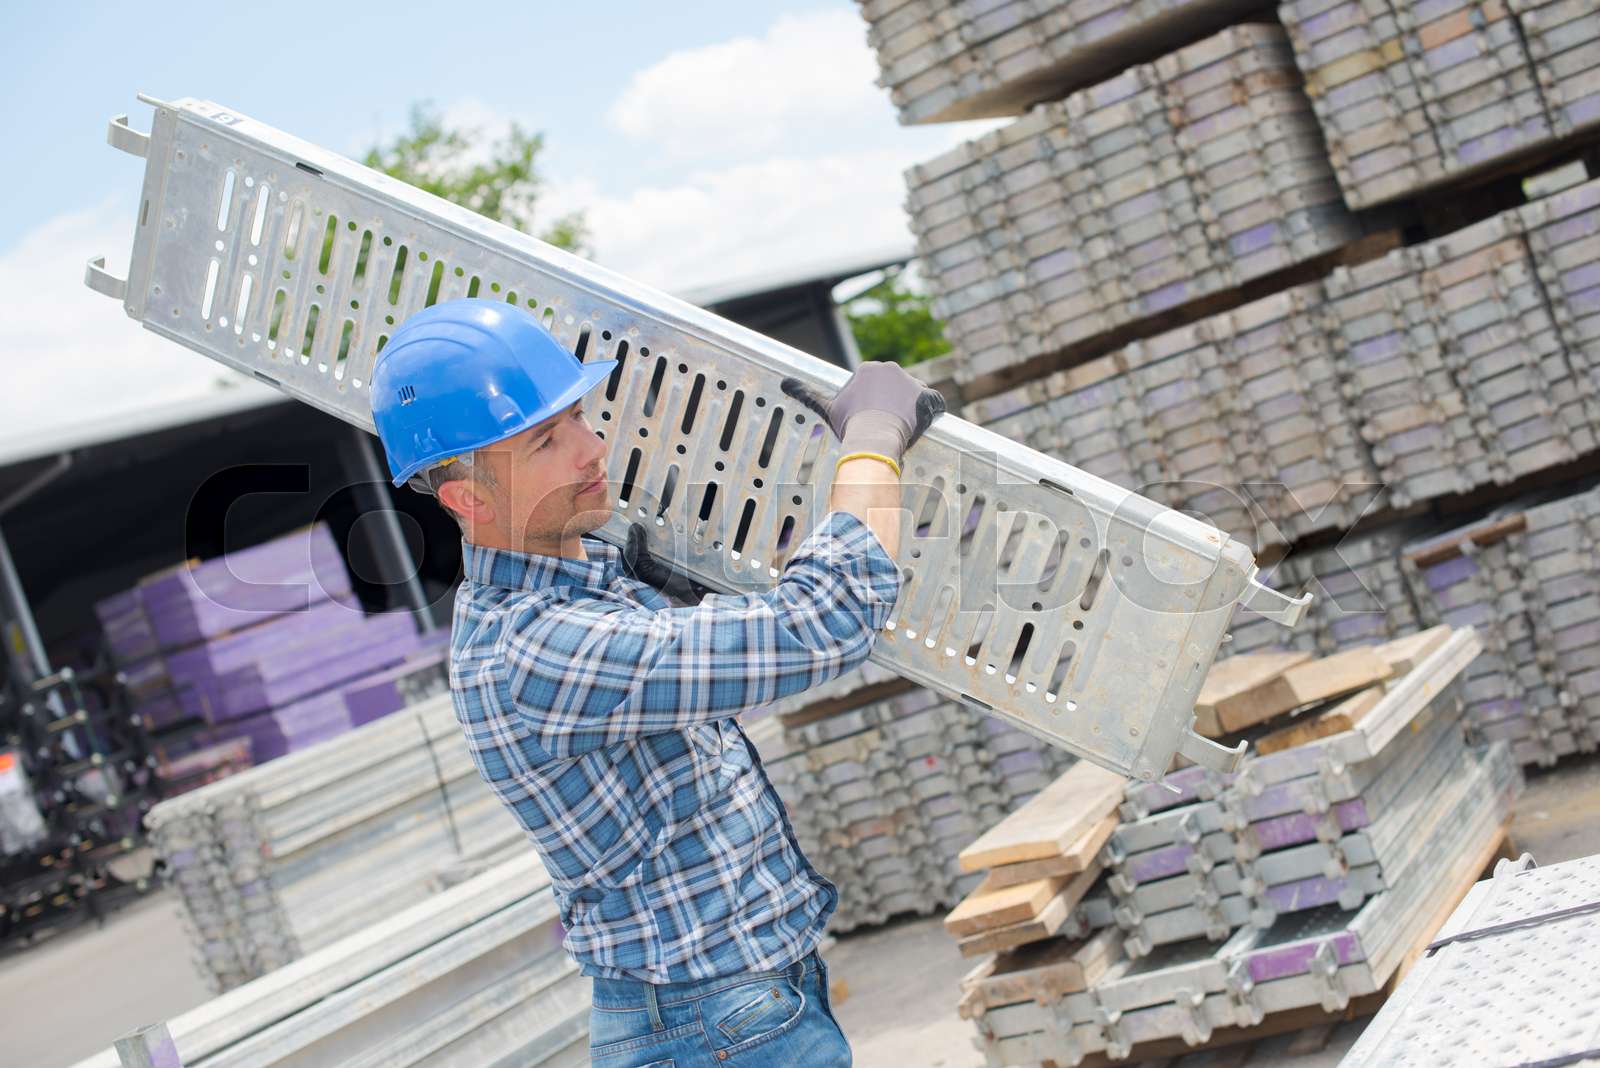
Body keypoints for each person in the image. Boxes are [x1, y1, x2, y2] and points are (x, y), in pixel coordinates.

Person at [370, 297, 945, 1067]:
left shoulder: (575, 583)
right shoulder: (535, 649)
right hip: (715, 1029)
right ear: (470, 500)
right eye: (548, 439)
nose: (592, 448)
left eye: (579, 416)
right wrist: (874, 441)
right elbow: (827, 620)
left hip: (730, 1012)